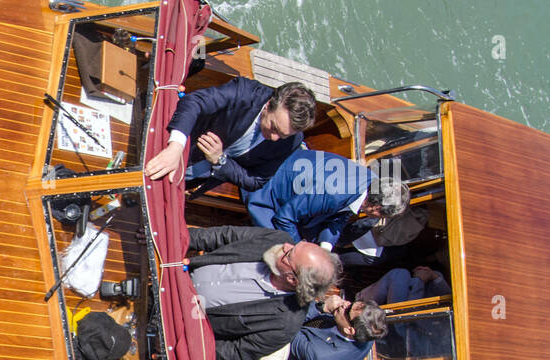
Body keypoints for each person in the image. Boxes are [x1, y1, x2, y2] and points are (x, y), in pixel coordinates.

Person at [185, 225, 340, 360]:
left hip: (179, 320)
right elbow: (222, 235)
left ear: (292, 279)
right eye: (295, 245)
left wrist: (183, 342)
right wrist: (181, 240)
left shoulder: (284, 325)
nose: (286, 245)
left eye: (289, 254)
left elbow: (234, 353)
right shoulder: (276, 239)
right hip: (177, 269)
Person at [145, 80, 317, 190]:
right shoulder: (244, 93)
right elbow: (195, 101)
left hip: (190, 179)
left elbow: (256, 181)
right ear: (269, 104)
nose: (274, 138)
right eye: (273, 127)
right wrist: (175, 148)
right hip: (167, 148)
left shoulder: (293, 141)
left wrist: (221, 161)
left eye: (283, 135)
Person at [245, 149, 412, 250]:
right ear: (376, 209)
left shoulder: (371, 180)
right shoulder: (334, 195)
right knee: (278, 247)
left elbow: (340, 216)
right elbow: (284, 218)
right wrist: (299, 249)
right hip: (267, 186)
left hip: (296, 175)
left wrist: (325, 246)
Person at [252, 297, 388, 360]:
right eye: (351, 303)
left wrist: (320, 307)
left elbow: (285, 328)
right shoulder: (366, 337)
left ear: (349, 331)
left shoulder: (320, 357)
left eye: (347, 309)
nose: (344, 304)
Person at [356, 265, 450, 306]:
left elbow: (412, 312)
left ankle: (360, 303)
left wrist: (419, 281)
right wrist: (433, 275)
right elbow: (448, 295)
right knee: (436, 277)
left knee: (400, 274)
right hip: (422, 304)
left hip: (403, 321)